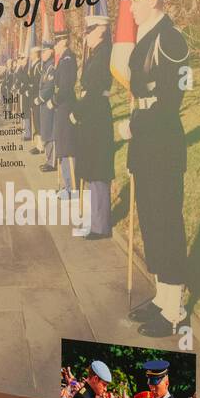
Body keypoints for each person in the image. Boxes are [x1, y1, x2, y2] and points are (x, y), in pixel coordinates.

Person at [121, 0, 190, 337]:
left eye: (134, 1)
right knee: (151, 223)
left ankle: (175, 308)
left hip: (163, 145)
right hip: (148, 146)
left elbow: (169, 103)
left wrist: (135, 125)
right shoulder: (147, 38)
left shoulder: (171, 39)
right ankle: (163, 299)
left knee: (167, 225)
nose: (130, 8)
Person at [72, 13, 114, 240]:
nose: (86, 36)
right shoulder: (96, 54)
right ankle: (97, 221)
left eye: (89, 31)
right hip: (93, 117)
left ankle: (101, 225)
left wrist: (76, 112)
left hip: (97, 117)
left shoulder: (103, 55)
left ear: (100, 31)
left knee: (98, 171)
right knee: (93, 170)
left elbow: (94, 91)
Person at [51, 28, 78, 198]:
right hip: (62, 106)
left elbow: (66, 86)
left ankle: (72, 187)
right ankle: (67, 185)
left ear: (62, 42)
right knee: (62, 144)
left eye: (56, 43)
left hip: (65, 105)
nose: (54, 47)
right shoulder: (63, 59)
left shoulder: (67, 60)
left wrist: (54, 100)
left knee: (67, 146)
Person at [38, 38, 57, 172]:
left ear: (51, 51)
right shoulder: (46, 67)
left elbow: (49, 86)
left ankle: (52, 161)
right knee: (45, 131)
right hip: (44, 105)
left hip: (50, 104)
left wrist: (40, 98)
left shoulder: (52, 67)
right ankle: (48, 159)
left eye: (44, 52)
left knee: (50, 133)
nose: (42, 55)